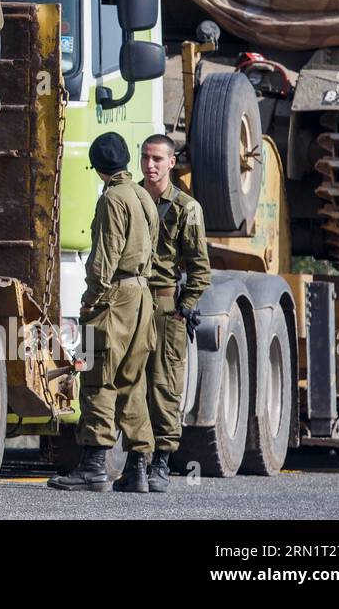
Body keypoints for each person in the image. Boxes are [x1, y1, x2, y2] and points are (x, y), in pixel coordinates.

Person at [49, 131, 158, 493]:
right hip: (143, 297)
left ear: (98, 168)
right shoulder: (144, 195)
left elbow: (105, 257)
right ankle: (138, 468)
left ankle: (94, 466)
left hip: (115, 298)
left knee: (96, 376)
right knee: (132, 382)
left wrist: (91, 297)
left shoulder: (112, 198)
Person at [138, 133, 211, 492]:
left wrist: (185, 308)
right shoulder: (130, 199)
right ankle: (137, 458)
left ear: (171, 163)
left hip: (167, 306)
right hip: (131, 303)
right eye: (145, 158)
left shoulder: (186, 208)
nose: (150, 165)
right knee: (130, 380)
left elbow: (200, 269)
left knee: (164, 384)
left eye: (157, 159)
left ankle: (162, 461)